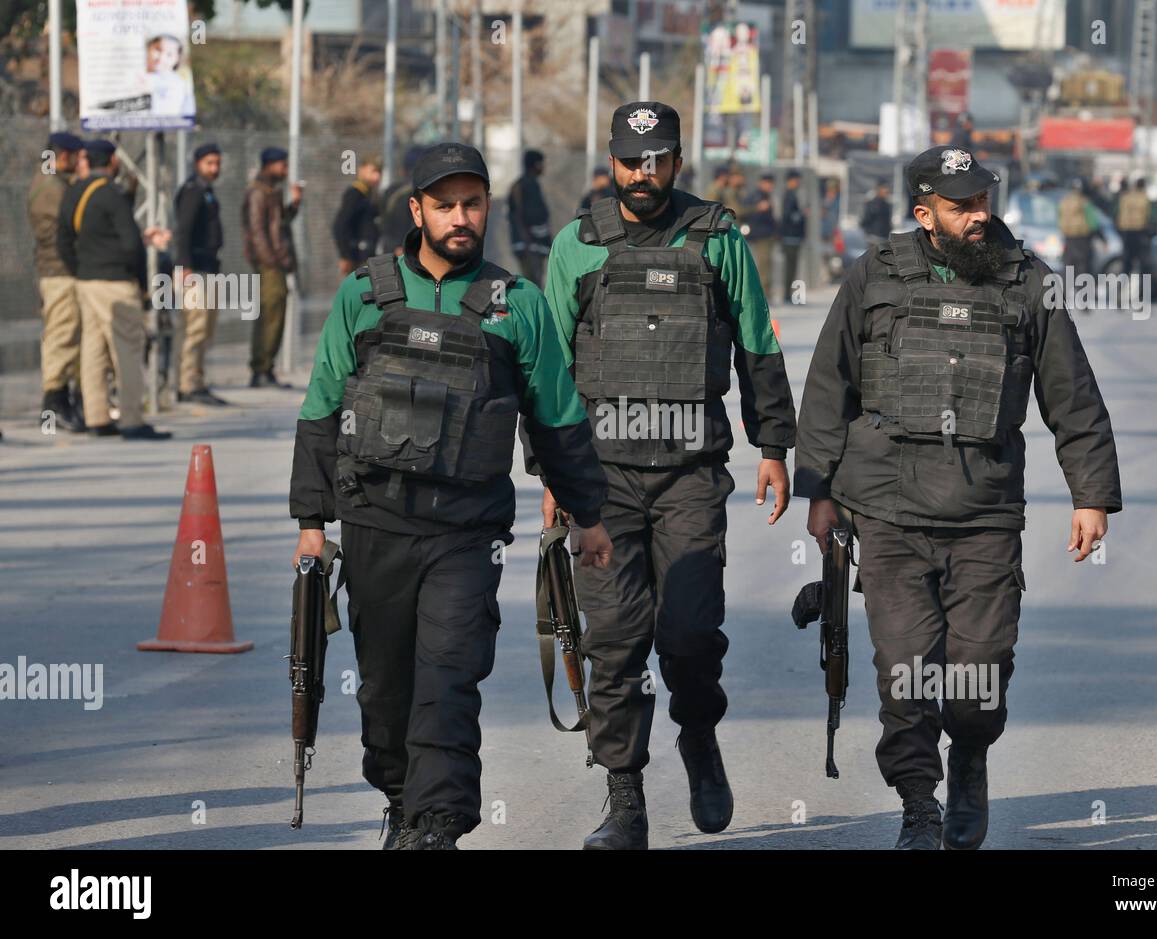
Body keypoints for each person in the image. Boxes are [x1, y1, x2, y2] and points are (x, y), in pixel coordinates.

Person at [794, 144, 1122, 850]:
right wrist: (817, 488)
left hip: (985, 515)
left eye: (983, 201)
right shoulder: (875, 276)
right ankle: (919, 802)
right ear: (923, 212)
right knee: (905, 667)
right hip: (886, 511)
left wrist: (1090, 494)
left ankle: (968, 757)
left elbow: (1072, 394)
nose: (979, 215)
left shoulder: (1029, 282)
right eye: (961, 205)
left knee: (980, 673)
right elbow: (829, 385)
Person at [289, 142, 613, 850]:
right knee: (384, 693)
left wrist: (588, 515)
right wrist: (312, 522)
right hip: (374, 524)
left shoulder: (516, 304)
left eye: (472, 203)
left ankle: (435, 827)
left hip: (465, 535)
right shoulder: (363, 294)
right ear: (417, 211)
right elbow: (320, 409)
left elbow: (557, 418)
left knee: (448, 676)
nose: (461, 217)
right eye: (445, 205)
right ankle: (403, 802)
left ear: (487, 206)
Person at [542, 101, 796, 850]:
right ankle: (625, 801)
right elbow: (550, 369)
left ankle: (698, 734)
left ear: (677, 161)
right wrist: (552, 470)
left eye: (656, 160)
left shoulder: (718, 239)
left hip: (690, 472)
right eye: (629, 160)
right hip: (600, 478)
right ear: (611, 162)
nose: (642, 174)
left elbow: (758, 345)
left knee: (687, 634)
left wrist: (774, 446)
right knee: (614, 640)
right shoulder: (576, 246)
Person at [56, 139, 172, 440]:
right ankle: (132, 419)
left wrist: (79, 271)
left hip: (86, 282)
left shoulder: (73, 192)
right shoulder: (111, 194)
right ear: (112, 161)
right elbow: (132, 244)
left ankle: (97, 418)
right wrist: (143, 285)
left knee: (93, 351)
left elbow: (63, 242)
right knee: (128, 350)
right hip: (116, 284)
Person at [29, 131, 86, 432]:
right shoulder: (52, 186)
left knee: (67, 337)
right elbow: (74, 221)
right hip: (59, 272)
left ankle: (64, 402)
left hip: (58, 271)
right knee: (61, 338)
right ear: (64, 156)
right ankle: (52, 409)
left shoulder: (52, 180)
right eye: (77, 157)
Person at [173, 141, 227, 406]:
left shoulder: (207, 191)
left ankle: (198, 380)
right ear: (198, 164)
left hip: (208, 268)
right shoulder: (193, 192)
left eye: (217, 163)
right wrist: (184, 266)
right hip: (194, 271)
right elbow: (182, 230)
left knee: (205, 329)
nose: (214, 168)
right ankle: (187, 384)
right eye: (209, 163)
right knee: (194, 329)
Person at [242, 146, 301, 388]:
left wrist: (295, 203)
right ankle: (261, 369)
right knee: (269, 315)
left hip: (275, 263)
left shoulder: (271, 191)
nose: (285, 170)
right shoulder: (258, 192)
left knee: (276, 313)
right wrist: (272, 261)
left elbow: (279, 223)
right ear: (270, 164)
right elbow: (257, 232)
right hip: (269, 265)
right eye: (282, 165)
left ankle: (266, 368)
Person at [332, 155, 382, 279]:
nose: (377, 177)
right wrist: (345, 255)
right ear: (362, 170)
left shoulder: (369, 194)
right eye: (373, 171)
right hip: (357, 258)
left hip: (367, 256)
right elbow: (340, 225)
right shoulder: (355, 194)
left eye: (379, 172)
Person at [508, 149, 551, 287]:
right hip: (530, 245)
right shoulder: (525, 186)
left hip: (533, 244)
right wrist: (529, 242)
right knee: (532, 286)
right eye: (541, 164)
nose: (543, 167)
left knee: (536, 282)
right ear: (535, 165)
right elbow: (522, 215)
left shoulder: (530, 184)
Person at [379, 146, 427, 255]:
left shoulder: (390, 191)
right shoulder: (420, 192)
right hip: (408, 251)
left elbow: (383, 222)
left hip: (388, 250)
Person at [738, 173, 778, 296]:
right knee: (761, 263)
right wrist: (758, 208)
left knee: (766, 263)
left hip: (766, 234)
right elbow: (744, 213)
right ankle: (762, 292)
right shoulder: (755, 196)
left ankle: (766, 292)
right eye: (768, 183)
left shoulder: (767, 196)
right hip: (758, 235)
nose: (770, 186)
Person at [1058, 177, 1099, 276]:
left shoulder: (1064, 202)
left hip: (1068, 238)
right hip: (1083, 239)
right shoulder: (1085, 202)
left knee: (1069, 267)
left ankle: (1066, 289)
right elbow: (1093, 223)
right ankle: (1084, 290)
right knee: (1084, 268)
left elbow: (1059, 218)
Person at [778, 169, 806, 303]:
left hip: (792, 237)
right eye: (796, 180)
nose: (798, 182)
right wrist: (802, 214)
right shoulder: (789, 195)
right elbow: (788, 216)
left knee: (792, 267)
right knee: (790, 268)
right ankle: (787, 296)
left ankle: (789, 296)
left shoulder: (791, 194)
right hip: (790, 237)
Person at [1115, 177, 1151, 276]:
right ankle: (1142, 288)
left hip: (1126, 231)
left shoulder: (1125, 196)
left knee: (1127, 260)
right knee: (1142, 261)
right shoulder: (1145, 198)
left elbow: (1117, 212)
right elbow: (1150, 215)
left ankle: (1122, 285)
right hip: (1140, 231)